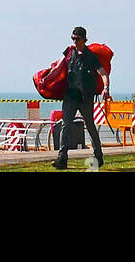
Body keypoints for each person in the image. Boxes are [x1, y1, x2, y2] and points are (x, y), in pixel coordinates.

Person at [53, 27, 107, 170]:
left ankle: (98, 156)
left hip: (85, 98)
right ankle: (62, 158)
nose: (74, 41)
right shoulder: (69, 52)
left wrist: (106, 88)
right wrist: (46, 78)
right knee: (66, 124)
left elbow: (103, 73)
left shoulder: (91, 56)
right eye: (73, 39)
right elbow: (59, 65)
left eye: (77, 39)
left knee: (90, 125)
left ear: (84, 39)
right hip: (70, 95)